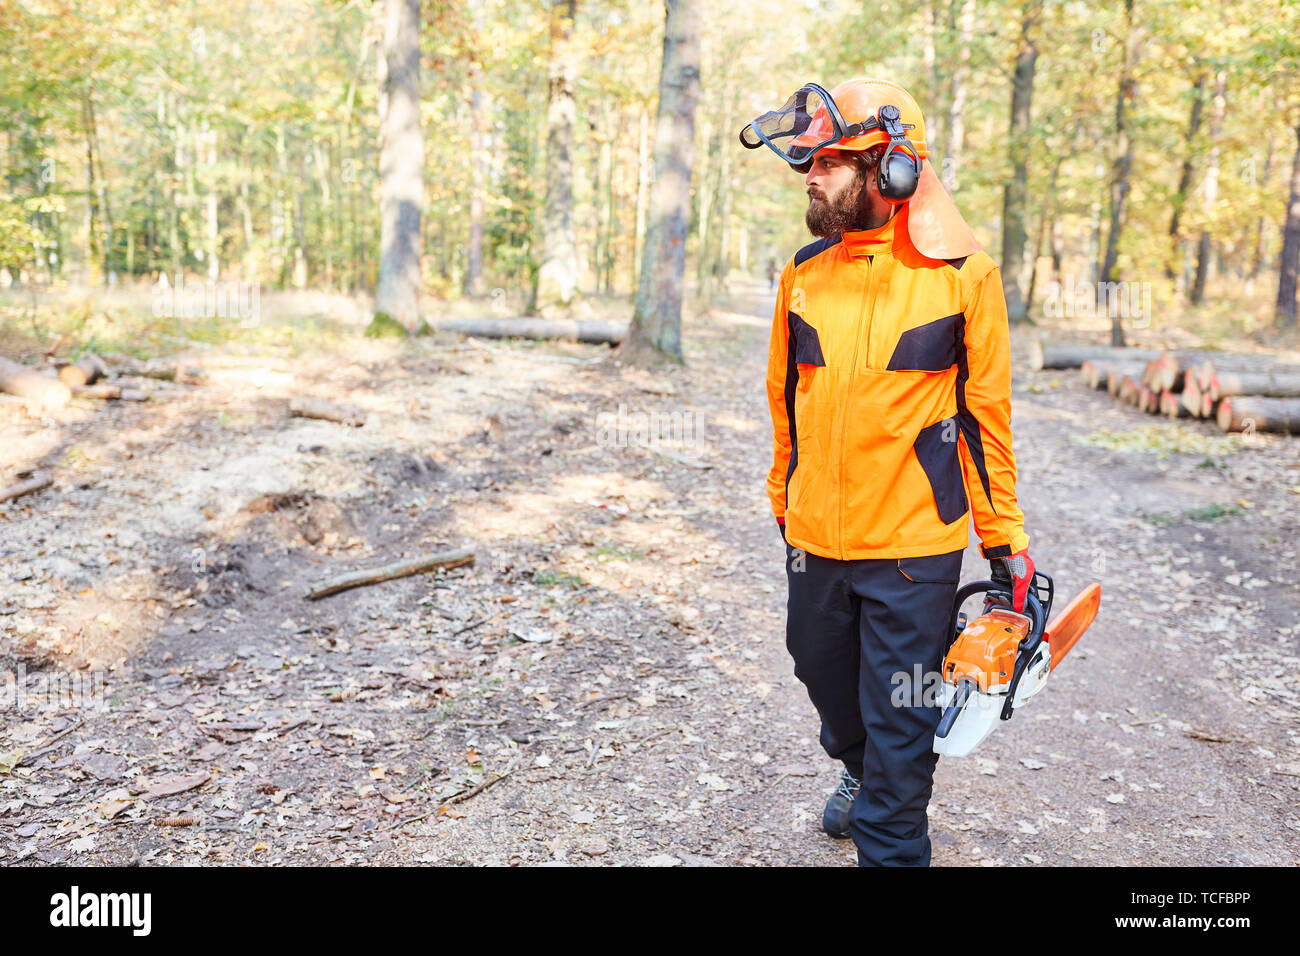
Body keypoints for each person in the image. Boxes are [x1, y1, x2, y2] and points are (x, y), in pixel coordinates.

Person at [739, 78, 1037, 866]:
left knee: (901, 718)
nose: (811, 173)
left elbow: (986, 422)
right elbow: (785, 403)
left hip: (912, 546)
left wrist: (1003, 540)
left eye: (831, 160)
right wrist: (783, 502)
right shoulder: (804, 272)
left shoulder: (962, 277)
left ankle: (890, 828)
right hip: (815, 537)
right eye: (811, 160)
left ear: (890, 170)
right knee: (823, 677)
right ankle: (861, 772)